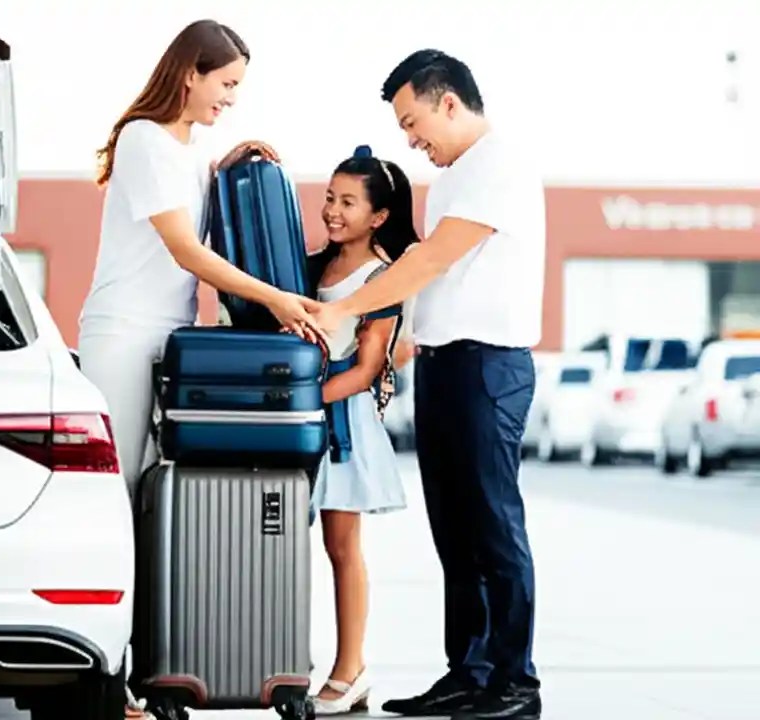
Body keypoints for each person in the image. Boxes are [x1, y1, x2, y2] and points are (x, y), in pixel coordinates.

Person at [77, 19, 322, 719]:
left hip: (173, 336)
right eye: (227, 83)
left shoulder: (191, 149)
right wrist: (273, 295)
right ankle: (107, 674)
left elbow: (205, 213)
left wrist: (234, 162)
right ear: (191, 73)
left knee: (161, 504)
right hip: (124, 334)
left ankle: (153, 666)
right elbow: (186, 249)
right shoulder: (144, 139)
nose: (232, 98)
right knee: (119, 502)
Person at [309, 50, 546, 720]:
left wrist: (342, 309)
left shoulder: (497, 164)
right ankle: (467, 672)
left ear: (448, 102)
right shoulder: (454, 178)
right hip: (445, 365)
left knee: (493, 528)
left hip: (487, 367)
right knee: (455, 533)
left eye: (414, 123)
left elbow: (434, 259)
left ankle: (513, 683)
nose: (412, 140)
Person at [303, 148, 417, 715]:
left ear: (378, 216)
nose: (332, 210)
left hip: (340, 419)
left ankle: (351, 671)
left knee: (341, 547)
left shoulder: (384, 277)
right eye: (329, 197)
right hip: (302, 416)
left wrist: (302, 398)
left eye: (348, 202)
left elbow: (368, 369)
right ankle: (286, 659)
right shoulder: (313, 266)